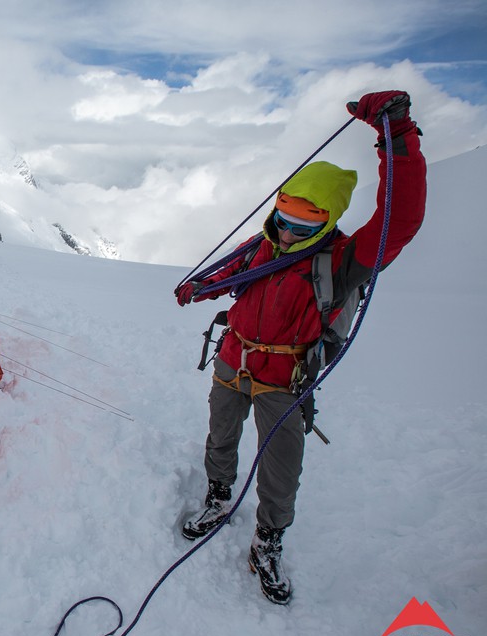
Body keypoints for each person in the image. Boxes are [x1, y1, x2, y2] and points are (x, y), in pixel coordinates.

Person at [174, 91, 427, 604]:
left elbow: (400, 221)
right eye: (283, 217)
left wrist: (397, 135)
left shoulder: (341, 260)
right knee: (221, 436)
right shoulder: (265, 244)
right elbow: (235, 269)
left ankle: (268, 539)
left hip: (285, 379)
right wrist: (201, 286)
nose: (288, 232)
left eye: (303, 224)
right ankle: (219, 497)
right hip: (233, 360)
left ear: (327, 222)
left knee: (280, 465)